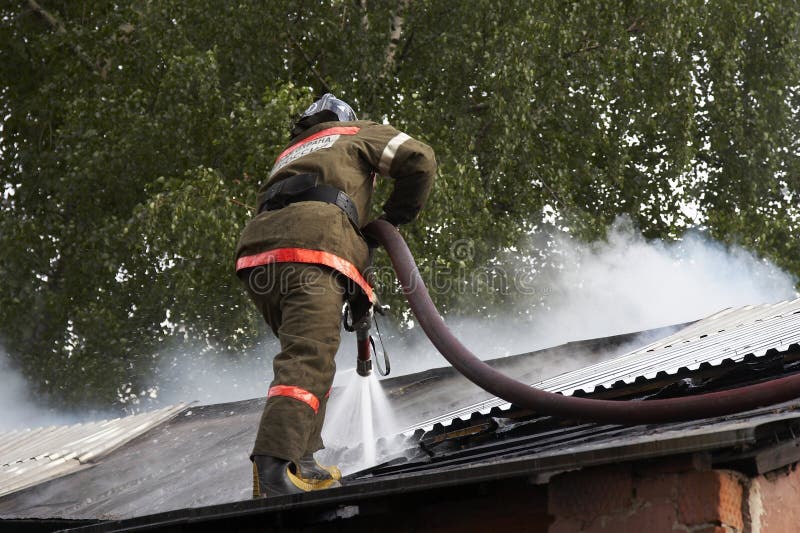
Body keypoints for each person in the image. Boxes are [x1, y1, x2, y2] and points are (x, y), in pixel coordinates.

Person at [235, 93, 436, 497]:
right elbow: (420, 159)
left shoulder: (293, 152)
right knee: (309, 357)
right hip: (312, 245)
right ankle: (274, 469)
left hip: (259, 257)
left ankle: (302, 461)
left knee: (310, 354)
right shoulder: (358, 133)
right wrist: (391, 220)